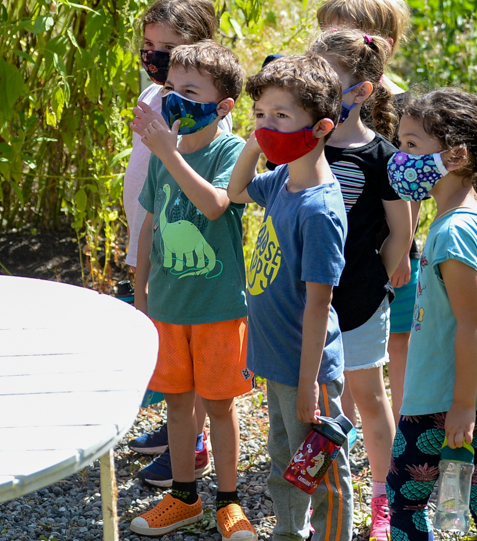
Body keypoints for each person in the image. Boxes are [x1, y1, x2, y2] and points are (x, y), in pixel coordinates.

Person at [127, 42, 255, 541]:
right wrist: (141, 294)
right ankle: (184, 496)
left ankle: (229, 502)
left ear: (223, 106)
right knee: (177, 405)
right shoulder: (165, 154)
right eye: (172, 90)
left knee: (220, 407)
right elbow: (149, 227)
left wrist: (168, 153)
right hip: (167, 307)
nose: (176, 100)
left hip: (219, 308)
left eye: (190, 91)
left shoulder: (232, 151)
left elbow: (216, 205)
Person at [384, 88, 477, 541]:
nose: (399, 157)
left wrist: (461, 406)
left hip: (444, 400)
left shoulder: (453, 233)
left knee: (403, 500)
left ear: (455, 155)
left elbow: (472, 322)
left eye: (410, 145)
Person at [227, 55, 352, 541]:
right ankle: (287, 532)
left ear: (320, 127)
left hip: (309, 371)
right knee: (284, 460)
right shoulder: (281, 180)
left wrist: (307, 386)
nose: (266, 125)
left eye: (281, 116)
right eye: (260, 114)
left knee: (322, 468)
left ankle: (333, 536)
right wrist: (254, 142)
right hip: (277, 361)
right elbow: (237, 191)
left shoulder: (319, 209)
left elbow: (320, 303)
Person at [308, 30, 411, 541]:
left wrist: (381, 280)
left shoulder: (383, 157)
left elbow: (400, 230)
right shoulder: (304, 143)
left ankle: (384, 497)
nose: (320, 87)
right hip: (305, 295)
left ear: (363, 92)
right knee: (316, 398)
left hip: (360, 298)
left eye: (331, 79)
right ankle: (325, 493)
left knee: (367, 396)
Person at [124, 0, 228, 486]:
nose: (154, 57)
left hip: (186, 243)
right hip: (153, 230)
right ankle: (176, 431)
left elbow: (202, 184)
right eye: (149, 45)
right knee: (171, 353)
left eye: (168, 48)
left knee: (192, 354)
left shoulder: (200, 110)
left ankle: (195, 444)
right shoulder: (153, 96)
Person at [315, 0, 419, 419]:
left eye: (343, 30)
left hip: (388, 246)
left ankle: (405, 428)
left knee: (392, 343)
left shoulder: (402, 105)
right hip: (339, 246)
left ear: (382, 44)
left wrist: (401, 253)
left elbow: (409, 186)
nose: (331, 42)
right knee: (345, 347)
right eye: (326, 30)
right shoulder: (322, 97)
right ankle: (348, 426)